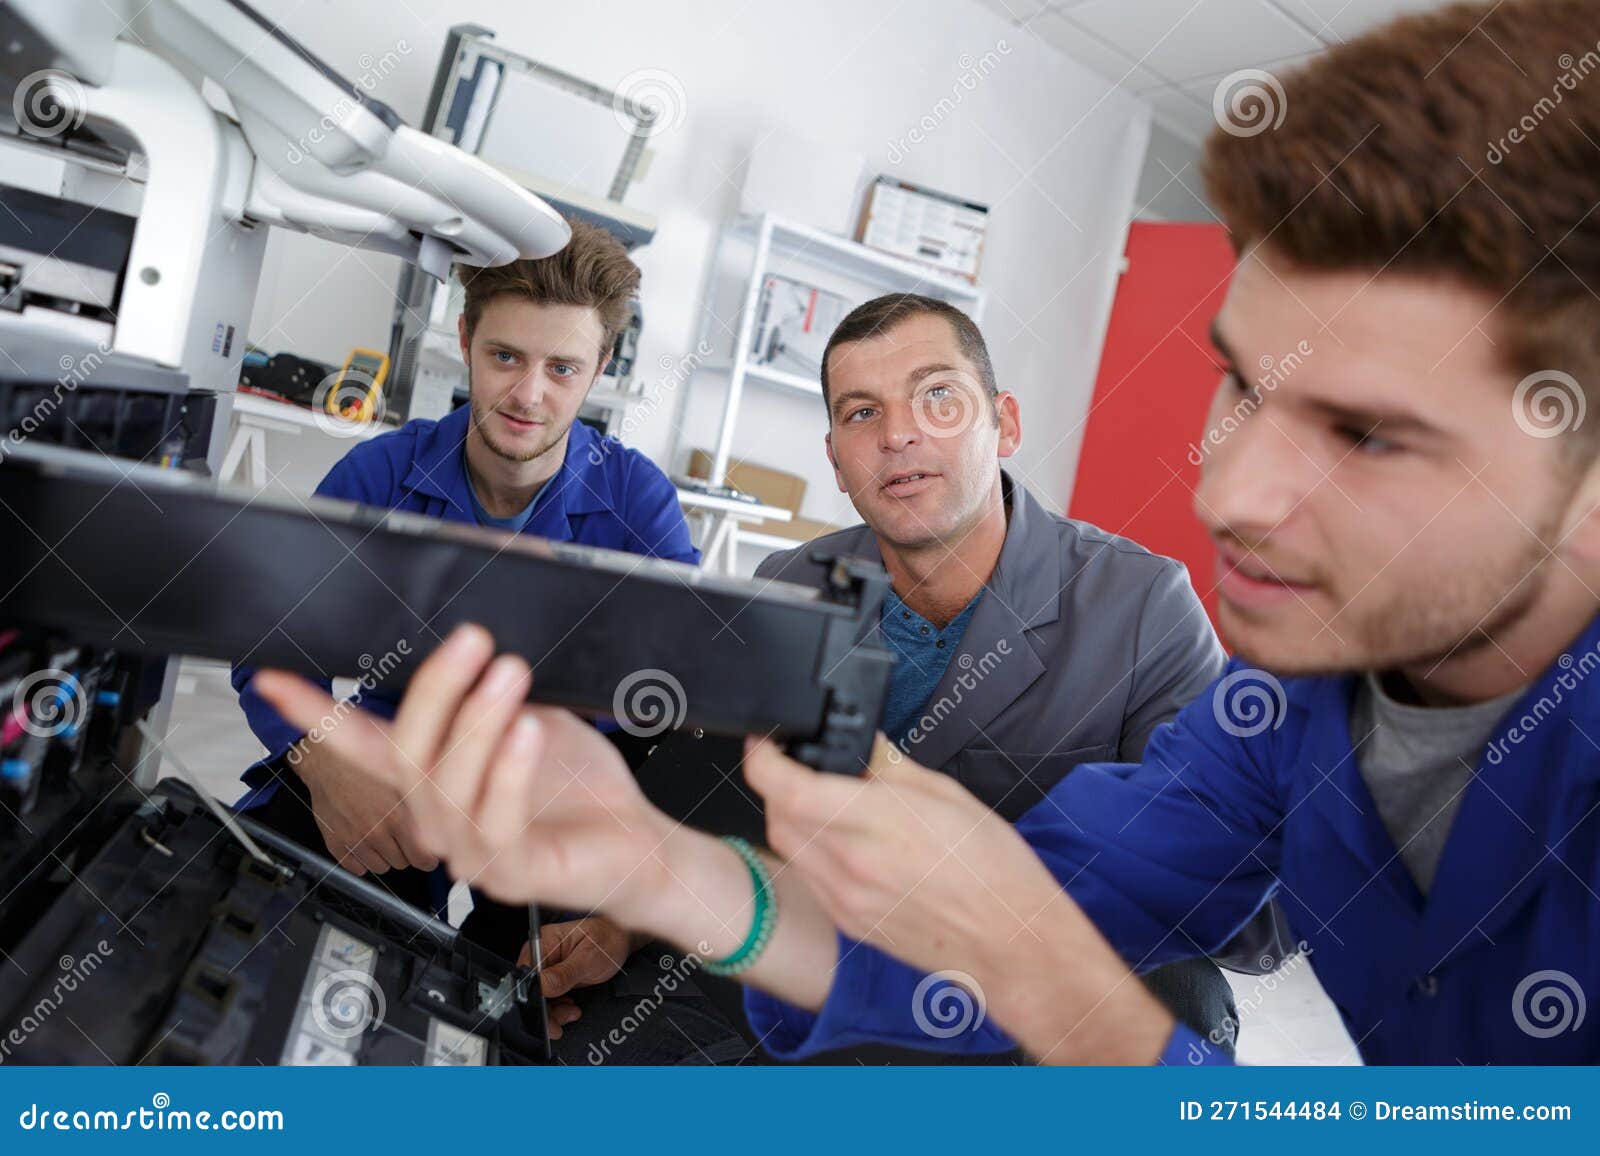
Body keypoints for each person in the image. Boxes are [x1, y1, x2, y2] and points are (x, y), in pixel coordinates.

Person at [256, 0, 1600, 1064]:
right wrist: (662, 871)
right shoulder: (1295, 718)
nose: (1229, 492)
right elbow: (1022, 907)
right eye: (1241, 386)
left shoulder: (1150, 614)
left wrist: (1074, 999)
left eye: (1365, 431)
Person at [553, 292, 1272, 1055]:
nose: (899, 433)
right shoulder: (789, 585)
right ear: (835, 458)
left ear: (1006, 425)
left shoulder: (1141, 607)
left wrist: (984, 871)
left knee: (1175, 999)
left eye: (938, 398)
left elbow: (1247, 912)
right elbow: (724, 813)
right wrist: (624, 919)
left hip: (1025, 998)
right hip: (821, 966)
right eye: (862, 413)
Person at [231, 217, 698, 959]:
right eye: (505, 356)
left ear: (602, 364)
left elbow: (680, 676)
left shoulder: (636, 500)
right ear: (465, 339)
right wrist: (321, 760)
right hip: (385, 770)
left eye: (563, 368)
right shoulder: (380, 474)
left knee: (546, 997)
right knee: (257, 918)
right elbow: (272, 640)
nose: (528, 395)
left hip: (549, 795)